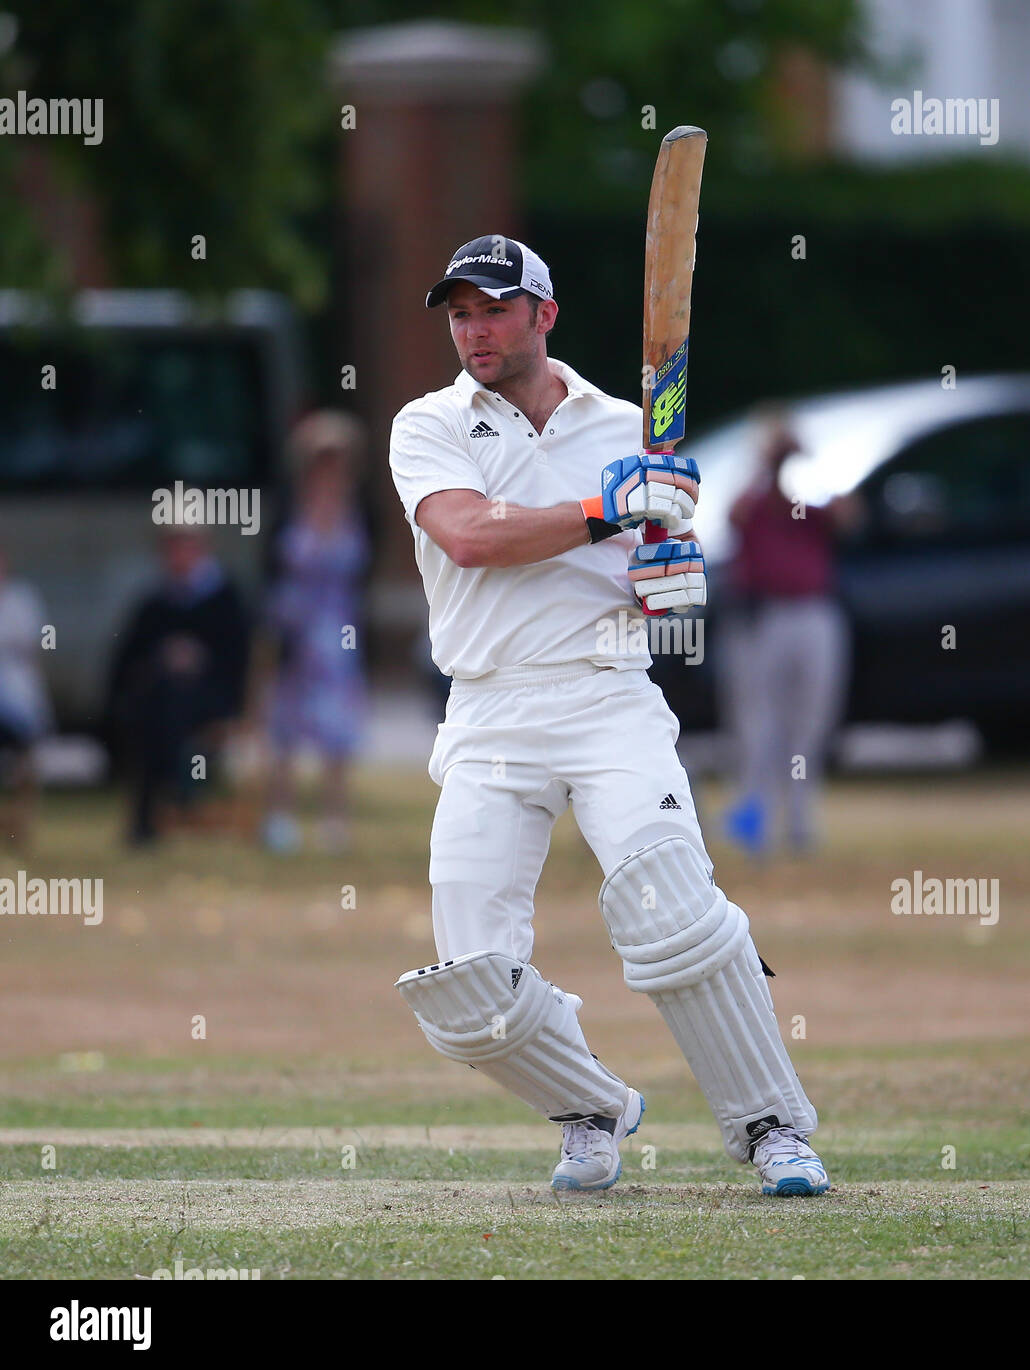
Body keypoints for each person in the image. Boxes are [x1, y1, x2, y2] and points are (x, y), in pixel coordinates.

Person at [388, 235, 828, 1197]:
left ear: (544, 315)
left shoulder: (632, 427)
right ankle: (591, 1109)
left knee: (670, 908)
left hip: (606, 693)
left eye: (494, 309)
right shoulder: (427, 425)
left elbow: (661, 576)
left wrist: (669, 575)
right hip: (490, 706)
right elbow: (467, 537)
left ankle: (774, 1131)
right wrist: (606, 508)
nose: (474, 330)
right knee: (466, 985)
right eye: (460, 313)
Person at [721, 414, 860, 854]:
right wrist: (766, 466)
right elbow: (734, 516)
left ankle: (800, 824)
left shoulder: (811, 494)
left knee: (811, 721)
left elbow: (849, 517)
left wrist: (806, 463)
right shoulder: (755, 496)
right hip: (763, 616)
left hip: (814, 613)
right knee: (758, 726)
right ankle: (752, 824)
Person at [261, 411, 371, 853]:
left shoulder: (361, 508)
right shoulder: (289, 507)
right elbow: (270, 565)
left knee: (336, 729)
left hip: (338, 630)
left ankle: (334, 819)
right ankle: (279, 818)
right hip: (294, 628)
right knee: (284, 726)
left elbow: (365, 566)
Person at [106, 528, 249, 845]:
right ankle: (174, 788)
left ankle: (165, 796)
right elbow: (125, 658)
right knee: (156, 700)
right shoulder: (155, 602)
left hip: (211, 697)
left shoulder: (225, 599)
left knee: (170, 698)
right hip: (159, 702)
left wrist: (198, 660)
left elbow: (239, 658)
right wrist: (163, 655)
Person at [0, 548, 54, 846]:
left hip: (16, 708)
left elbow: (37, 648)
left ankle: (18, 827)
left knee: (25, 752)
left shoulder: (22, 601)